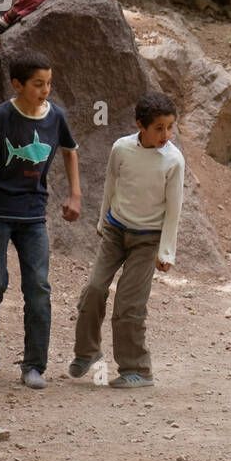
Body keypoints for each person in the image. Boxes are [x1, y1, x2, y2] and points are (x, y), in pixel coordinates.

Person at [0, 50, 80, 388]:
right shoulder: (1, 116)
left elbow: (70, 151)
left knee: (38, 287)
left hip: (33, 215)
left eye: (49, 83)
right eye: (38, 84)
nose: (45, 90)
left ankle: (34, 365)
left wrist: (75, 195)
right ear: (17, 84)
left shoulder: (56, 118)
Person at [70, 92, 185, 390]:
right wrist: (101, 220)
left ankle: (138, 369)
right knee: (94, 289)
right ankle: (87, 351)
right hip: (115, 230)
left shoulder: (173, 160)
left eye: (170, 127)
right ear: (140, 125)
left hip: (148, 240)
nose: (166, 135)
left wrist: (166, 252)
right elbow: (111, 183)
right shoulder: (121, 148)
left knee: (129, 303)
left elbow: (174, 208)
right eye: (159, 128)